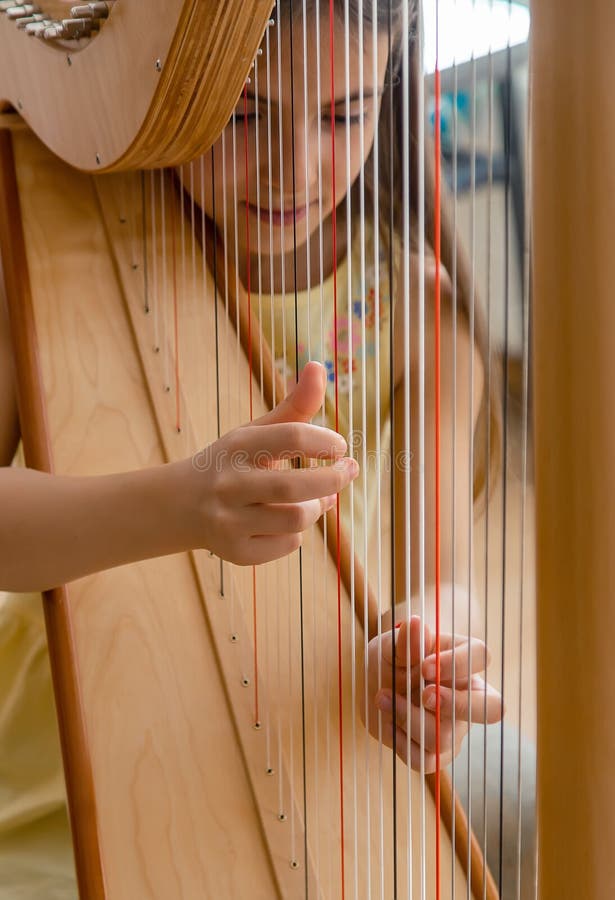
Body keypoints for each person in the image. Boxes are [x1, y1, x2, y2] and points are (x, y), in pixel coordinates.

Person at [0, 0, 504, 895]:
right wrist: (178, 504)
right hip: (47, 789)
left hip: (309, 747)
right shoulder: (47, 244)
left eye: (344, 114)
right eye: (242, 113)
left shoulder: (418, 311)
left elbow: (445, 573)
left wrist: (426, 639)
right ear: (169, 92)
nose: (294, 168)